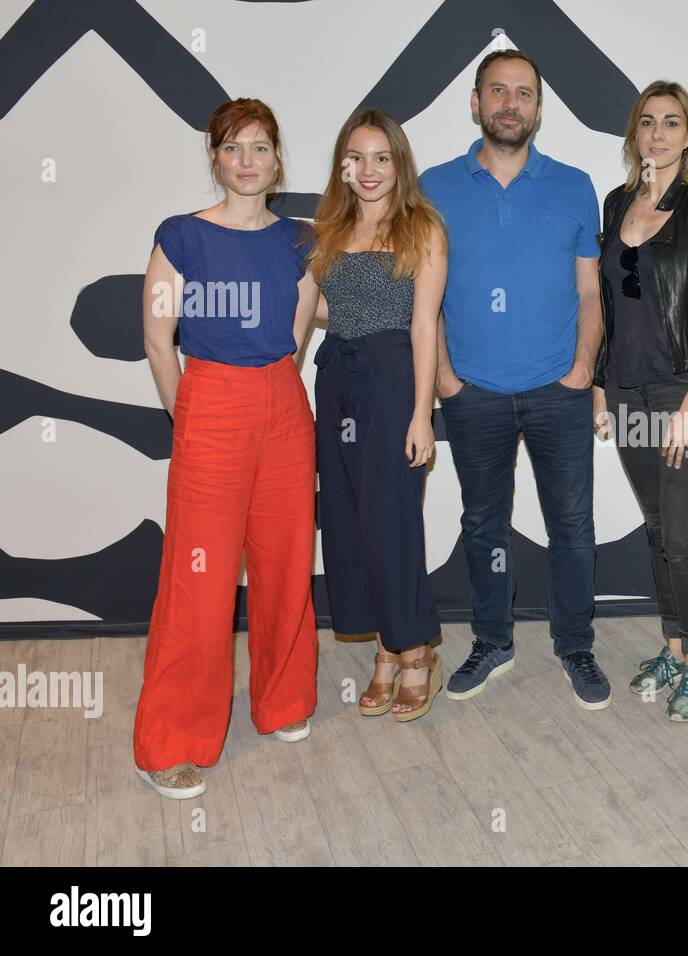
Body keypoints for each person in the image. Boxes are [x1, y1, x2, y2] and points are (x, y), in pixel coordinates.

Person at [134, 98, 319, 799]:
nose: (247, 160)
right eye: (233, 147)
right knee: (199, 579)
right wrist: (191, 413)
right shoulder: (181, 235)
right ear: (214, 158)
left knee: (284, 559)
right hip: (210, 403)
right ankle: (170, 740)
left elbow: (297, 334)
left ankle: (283, 700)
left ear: (278, 159)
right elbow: (159, 336)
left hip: (281, 407)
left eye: (260, 147)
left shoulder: (300, 240)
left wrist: (271, 392)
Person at [418, 49, 611, 710]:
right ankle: (494, 640)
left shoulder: (575, 185)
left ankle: (575, 644)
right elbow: (423, 294)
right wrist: (444, 377)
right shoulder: (434, 188)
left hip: (558, 387)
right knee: (484, 526)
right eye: (497, 91)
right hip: (473, 391)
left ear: (537, 107)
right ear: (476, 103)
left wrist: (583, 368)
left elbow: (591, 290)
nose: (509, 104)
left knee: (572, 526)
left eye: (522, 93)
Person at [594, 80, 688, 722]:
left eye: (671, 123)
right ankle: (672, 643)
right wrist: (601, 385)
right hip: (626, 390)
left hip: (685, 391)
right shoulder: (615, 204)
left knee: (681, 538)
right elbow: (609, 306)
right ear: (635, 134)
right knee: (656, 530)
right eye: (647, 122)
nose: (658, 133)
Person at [304, 107, 447, 723]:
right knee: (350, 521)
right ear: (342, 164)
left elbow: (423, 327)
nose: (369, 170)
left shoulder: (423, 228)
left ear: (399, 163)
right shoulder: (326, 231)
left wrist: (421, 415)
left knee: (392, 524)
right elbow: (303, 316)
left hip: (394, 382)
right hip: (337, 380)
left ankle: (416, 653)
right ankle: (385, 653)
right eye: (356, 158)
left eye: (381, 158)